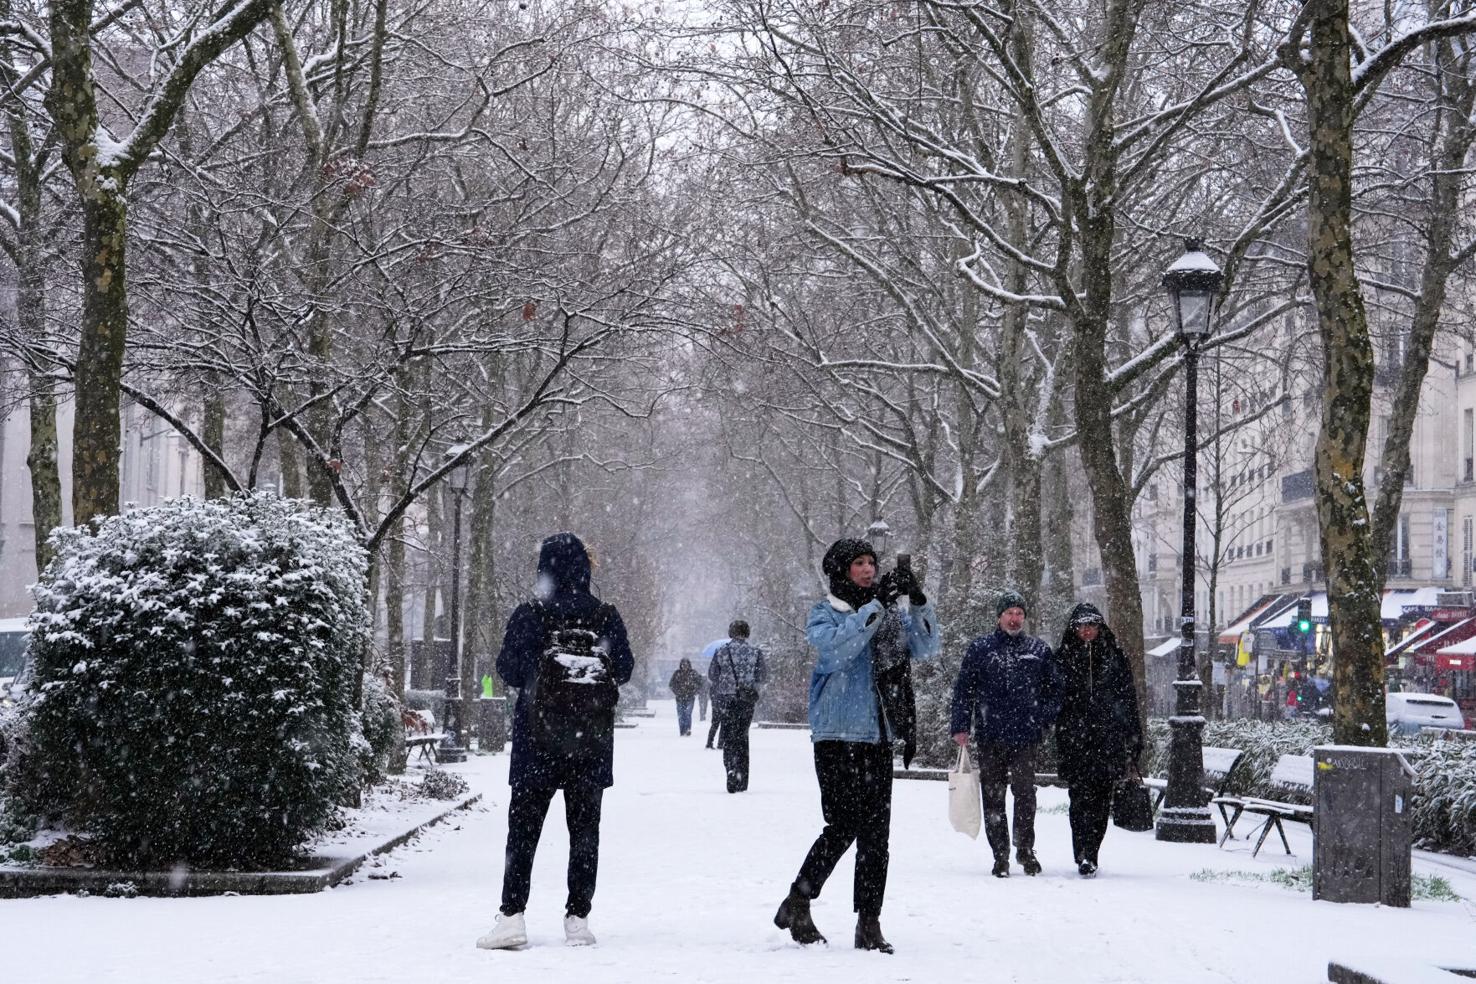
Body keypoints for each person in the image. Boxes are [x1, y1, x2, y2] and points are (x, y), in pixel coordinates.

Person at [774, 538, 940, 955]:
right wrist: (875, 608)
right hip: (836, 736)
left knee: (876, 838)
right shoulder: (824, 613)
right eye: (859, 563)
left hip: (878, 736)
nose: (868, 570)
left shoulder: (886, 615)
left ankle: (869, 923)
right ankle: (799, 898)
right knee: (843, 825)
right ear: (841, 571)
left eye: (872, 562)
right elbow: (839, 650)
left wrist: (917, 601)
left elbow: (925, 647)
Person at [477, 533, 634, 951]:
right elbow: (625, 669)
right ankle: (578, 920)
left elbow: (508, 669)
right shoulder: (605, 615)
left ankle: (512, 916)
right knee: (584, 832)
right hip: (591, 744)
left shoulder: (531, 613)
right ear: (584, 567)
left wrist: (539, 676)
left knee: (523, 831)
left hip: (536, 741)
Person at [950, 589, 1060, 878]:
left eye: (1019, 613)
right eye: (1010, 613)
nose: (1014, 618)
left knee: (1025, 794)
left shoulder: (1038, 651)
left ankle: (1024, 850)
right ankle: (1000, 855)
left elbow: (1054, 692)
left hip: (1026, 736)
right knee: (993, 796)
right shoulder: (981, 649)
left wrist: (1042, 720)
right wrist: (960, 726)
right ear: (999, 617)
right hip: (991, 735)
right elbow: (964, 690)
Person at [1053, 603, 1143, 878]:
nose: (1087, 630)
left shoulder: (1114, 657)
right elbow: (1055, 697)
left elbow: (1128, 698)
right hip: (1075, 739)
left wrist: (1132, 735)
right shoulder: (1063, 657)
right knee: (1078, 798)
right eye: (1082, 625)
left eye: (1092, 624)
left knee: (1101, 800)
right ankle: (1081, 850)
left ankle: (1091, 852)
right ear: (1074, 628)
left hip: (1107, 739)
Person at [708, 619, 768, 792]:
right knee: (742, 736)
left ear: (731, 633)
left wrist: (726, 681)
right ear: (747, 633)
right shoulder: (755, 652)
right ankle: (742, 775)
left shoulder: (721, 651)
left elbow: (712, 675)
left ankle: (731, 768)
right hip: (746, 701)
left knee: (728, 736)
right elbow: (762, 676)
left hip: (726, 700)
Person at [669, 657, 702, 736]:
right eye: (683, 665)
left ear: (689, 665)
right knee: (681, 715)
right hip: (680, 698)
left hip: (690, 697)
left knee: (687, 713)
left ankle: (687, 729)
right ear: (681, 665)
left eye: (686, 665)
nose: (685, 667)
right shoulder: (677, 673)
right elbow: (671, 684)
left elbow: (700, 683)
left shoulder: (693, 673)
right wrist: (677, 692)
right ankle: (682, 730)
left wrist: (695, 691)